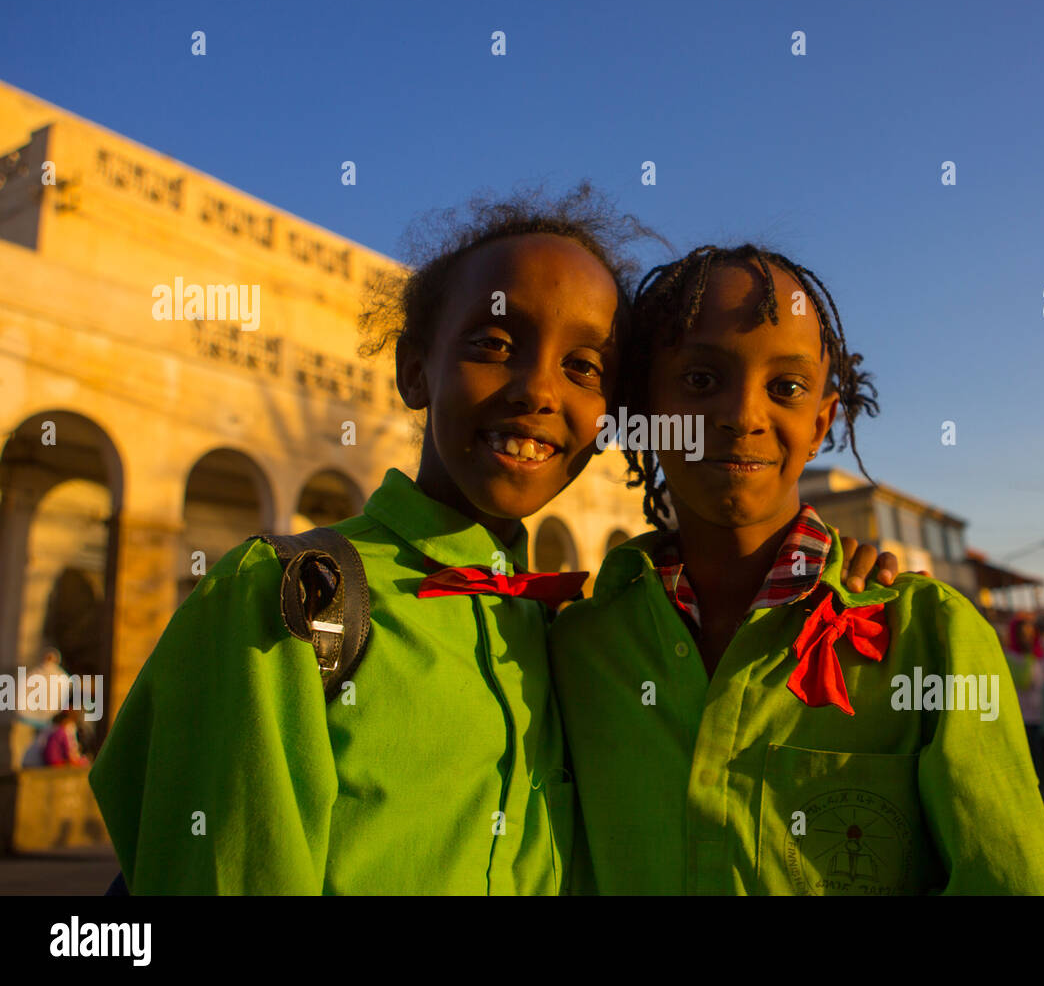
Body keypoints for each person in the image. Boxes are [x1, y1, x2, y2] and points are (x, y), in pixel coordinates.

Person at [88, 188, 898, 895]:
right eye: (493, 345)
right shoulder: (297, 597)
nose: (539, 390)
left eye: (584, 368)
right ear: (415, 371)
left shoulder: (571, 635)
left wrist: (820, 571)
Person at [549, 244, 1044, 894]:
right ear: (643, 409)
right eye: (701, 380)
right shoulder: (578, 651)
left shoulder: (924, 639)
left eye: (786, 387)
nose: (742, 415)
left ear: (822, 420)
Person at [1007, 613, 1044, 833]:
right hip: (1026, 724)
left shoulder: (1043, 658)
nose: (1026, 637)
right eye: (1022, 633)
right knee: (1034, 778)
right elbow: (1023, 683)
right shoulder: (1010, 659)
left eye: (1030, 633)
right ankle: (1039, 828)